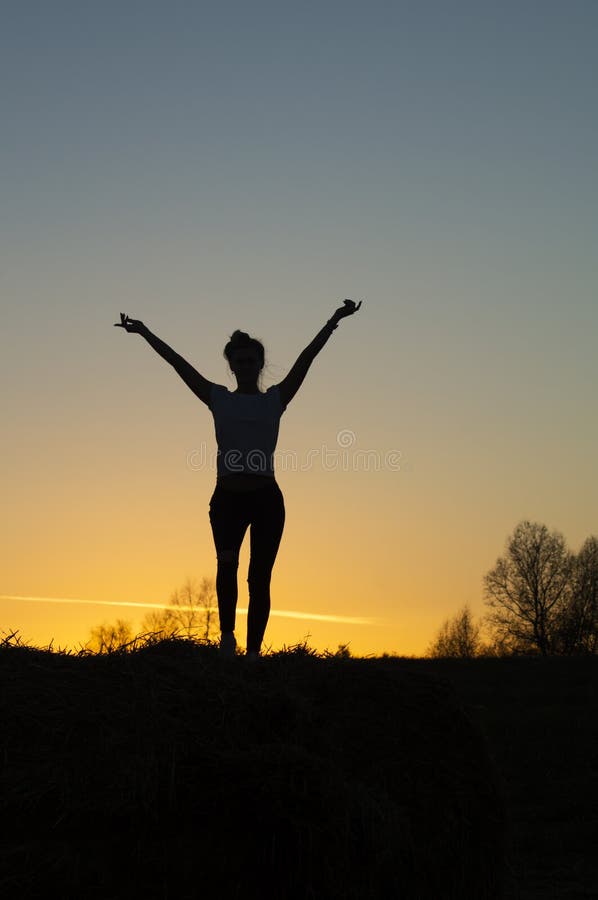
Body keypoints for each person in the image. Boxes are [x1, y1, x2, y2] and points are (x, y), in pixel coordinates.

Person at [114, 300, 362, 660]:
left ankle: (254, 653)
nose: (245, 367)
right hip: (228, 498)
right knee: (226, 565)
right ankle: (228, 639)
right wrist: (145, 333)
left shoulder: (276, 399)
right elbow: (177, 364)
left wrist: (334, 321)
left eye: (251, 361)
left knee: (259, 579)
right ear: (231, 366)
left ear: (260, 364)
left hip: (266, 499)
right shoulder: (217, 398)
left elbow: (307, 358)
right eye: (239, 361)